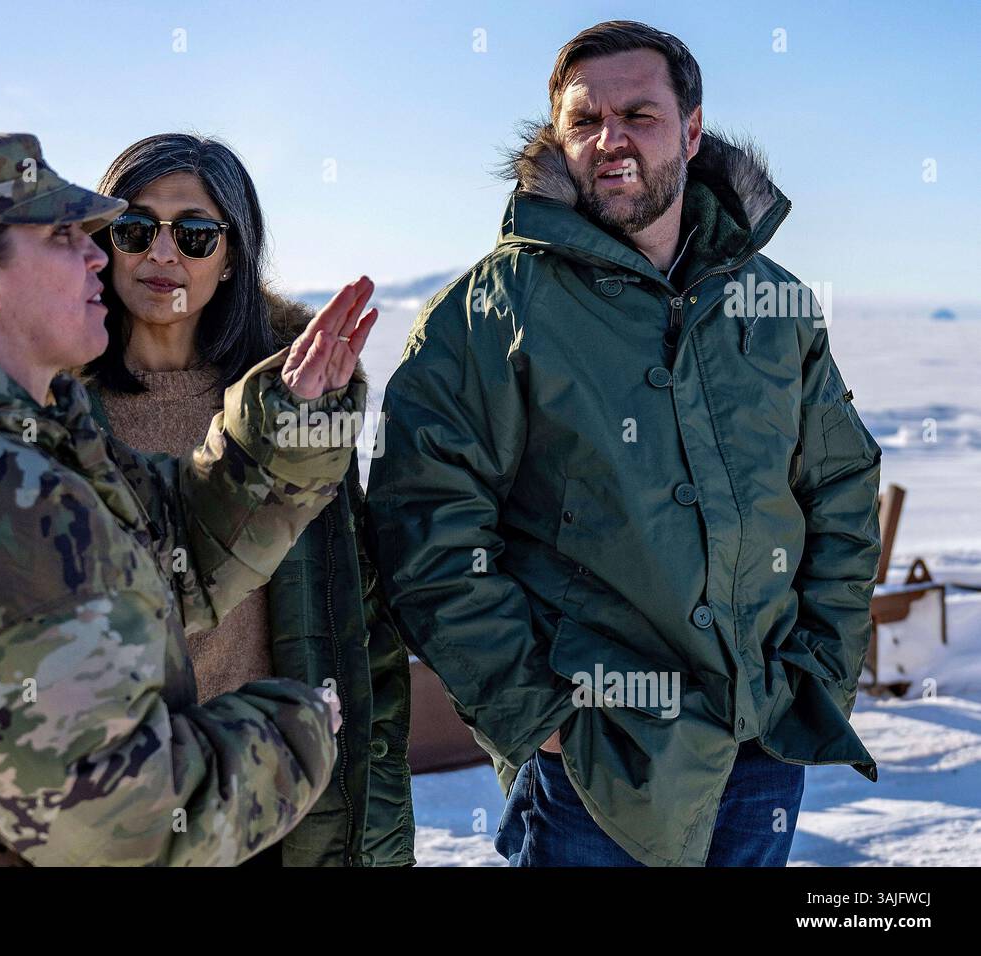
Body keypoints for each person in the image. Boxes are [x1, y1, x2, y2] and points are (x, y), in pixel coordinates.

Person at [0, 132, 378, 866]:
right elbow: (118, 826)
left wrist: (283, 426)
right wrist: (295, 730)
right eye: (65, 236)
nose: (99, 254)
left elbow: (167, 554)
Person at [365, 21, 882, 867]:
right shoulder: (494, 312)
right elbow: (427, 525)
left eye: (639, 113)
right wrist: (542, 717)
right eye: (584, 121)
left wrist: (817, 667)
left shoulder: (774, 303)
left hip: (763, 742)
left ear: (692, 129)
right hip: (597, 763)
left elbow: (841, 485)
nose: (610, 140)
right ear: (556, 139)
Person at [82, 133, 415, 867]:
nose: (162, 255)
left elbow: (356, 622)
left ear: (231, 256)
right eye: (135, 228)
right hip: (116, 804)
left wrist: (376, 818)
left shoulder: (290, 406)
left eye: (195, 234)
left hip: (272, 793)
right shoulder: (59, 406)